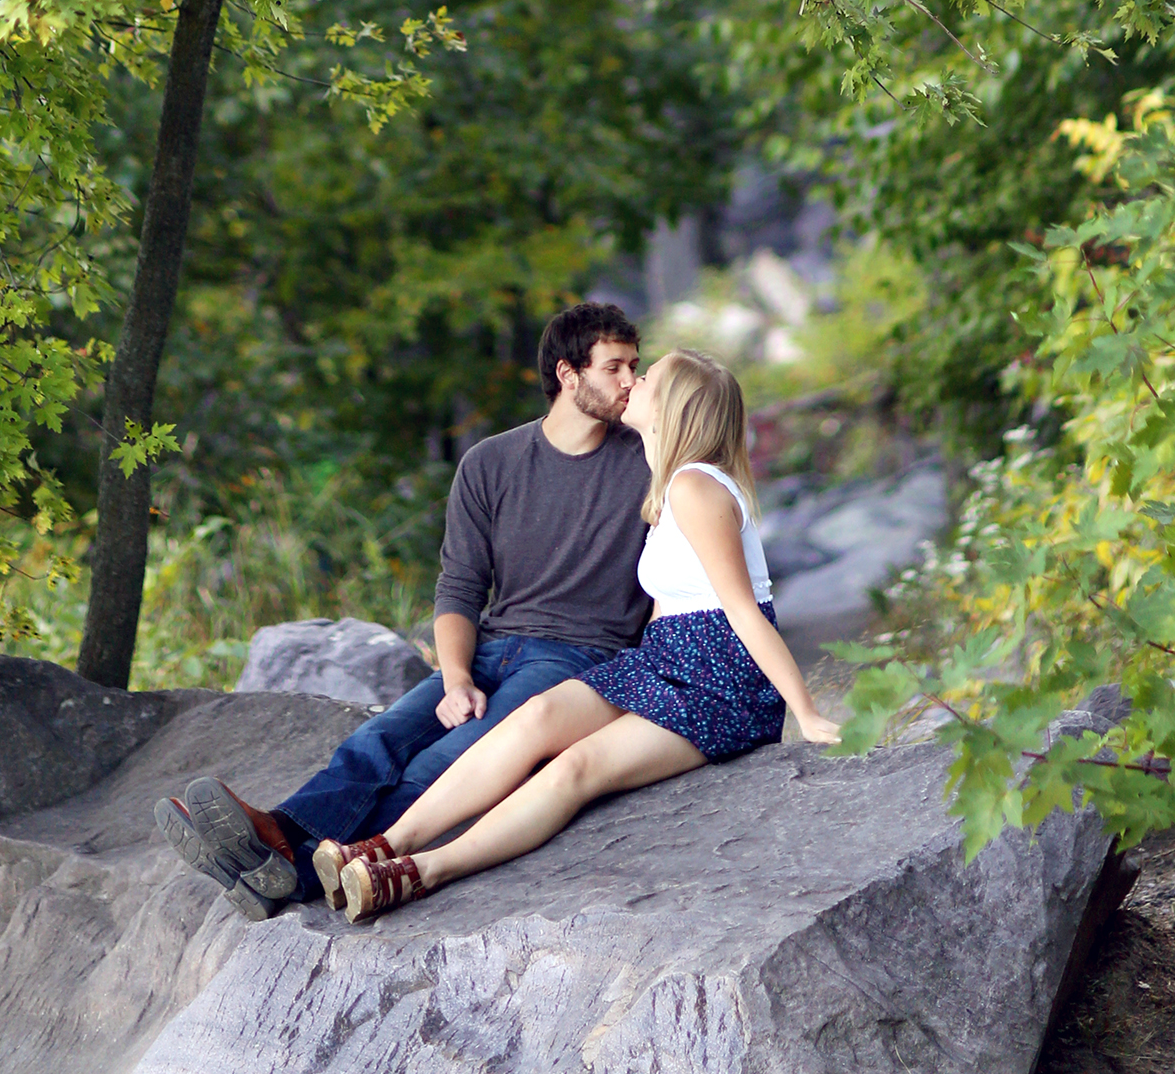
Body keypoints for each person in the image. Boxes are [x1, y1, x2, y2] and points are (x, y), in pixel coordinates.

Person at [154, 299, 650, 911]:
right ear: (568, 375)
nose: (632, 381)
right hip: (494, 645)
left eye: (635, 366)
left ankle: (293, 864)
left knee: (445, 758)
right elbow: (460, 587)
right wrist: (458, 677)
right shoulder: (490, 463)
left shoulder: (648, 460)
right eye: (615, 368)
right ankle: (279, 847)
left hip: (578, 659)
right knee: (379, 739)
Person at [328, 346, 840, 923]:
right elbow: (673, 605)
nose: (634, 382)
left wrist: (804, 711)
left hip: (719, 683)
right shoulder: (669, 486)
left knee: (576, 767)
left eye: (647, 378)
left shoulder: (696, 488)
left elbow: (745, 612)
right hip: (664, 660)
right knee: (536, 718)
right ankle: (383, 845)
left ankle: (419, 873)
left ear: (673, 407)